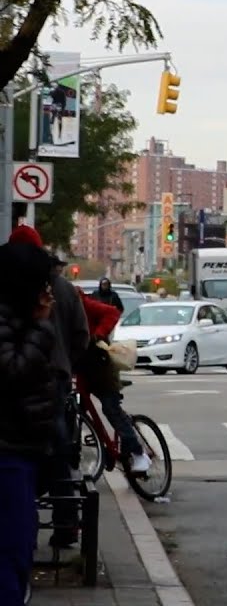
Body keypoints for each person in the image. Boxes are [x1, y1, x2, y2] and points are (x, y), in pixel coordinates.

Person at [8, 225, 89, 550]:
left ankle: (29, 517)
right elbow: (82, 335)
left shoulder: (14, 290)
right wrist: (66, 362)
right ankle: (66, 521)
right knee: (56, 450)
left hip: (26, 381)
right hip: (55, 378)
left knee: (21, 452)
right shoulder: (66, 290)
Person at [0, 241, 61, 605]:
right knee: (11, 553)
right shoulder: (9, 318)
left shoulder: (16, 316)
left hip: (22, 452)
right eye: (42, 283)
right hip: (7, 455)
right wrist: (40, 328)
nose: (48, 293)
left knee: (19, 549)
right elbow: (12, 373)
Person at [78, 290, 150, 474]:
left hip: (100, 364)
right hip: (79, 365)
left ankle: (138, 452)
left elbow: (112, 312)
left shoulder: (83, 302)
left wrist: (99, 335)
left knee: (110, 407)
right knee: (76, 409)